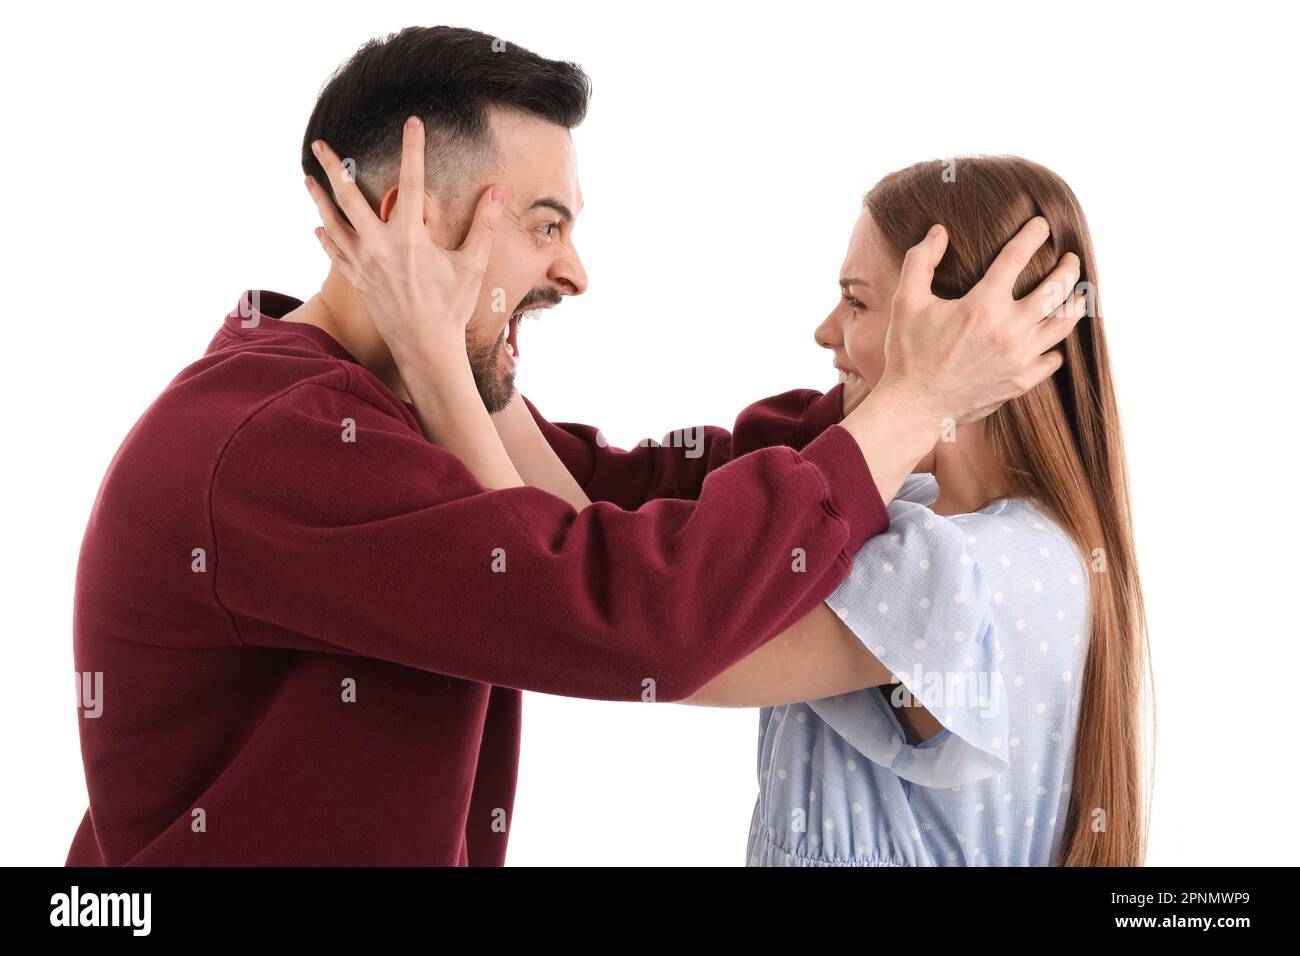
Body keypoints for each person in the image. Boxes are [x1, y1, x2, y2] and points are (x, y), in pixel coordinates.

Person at [66, 27, 1080, 866]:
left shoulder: (390, 405)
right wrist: (916, 399)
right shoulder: (282, 444)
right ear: (411, 221)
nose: (575, 269)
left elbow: (634, 501)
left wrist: (927, 386)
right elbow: (630, 613)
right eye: (545, 226)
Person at [644, 157, 1147, 866]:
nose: (825, 331)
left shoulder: (967, 566)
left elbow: (668, 645)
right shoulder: (960, 527)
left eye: (855, 302)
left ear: (959, 329)